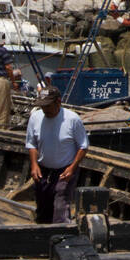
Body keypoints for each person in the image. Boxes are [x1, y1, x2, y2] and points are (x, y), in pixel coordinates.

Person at [25, 87, 89, 225]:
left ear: (58, 102)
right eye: (42, 106)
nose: (45, 110)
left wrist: (72, 168)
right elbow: (31, 144)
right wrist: (34, 165)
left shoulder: (72, 119)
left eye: (48, 106)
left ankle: (62, 238)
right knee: (42, 209)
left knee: (60, 207)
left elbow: (83, 146)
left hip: (64, 170)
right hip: (43, 170)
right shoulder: (35, 118)